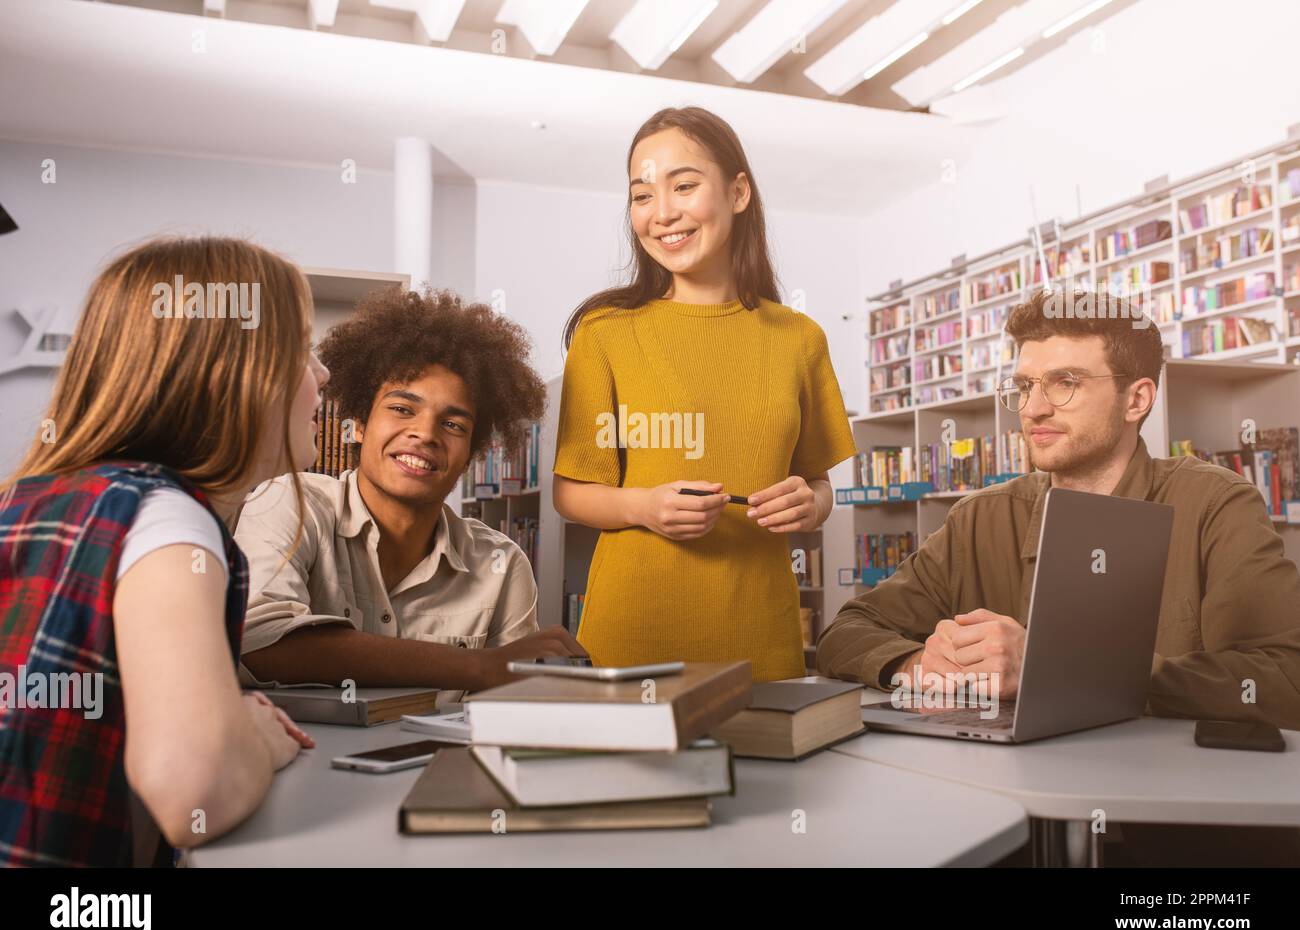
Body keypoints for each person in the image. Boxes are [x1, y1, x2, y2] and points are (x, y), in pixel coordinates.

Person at [817, 287, 1300, 732]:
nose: (1032, 409)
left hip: (1169, 805)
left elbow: (1284, 681)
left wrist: (1057, 665)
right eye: (1025, 386)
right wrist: (918, 664)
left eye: (1064, 383)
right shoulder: (979, 519)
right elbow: (845, 634)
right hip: (1012, 799)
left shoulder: (1217, 503)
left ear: (1137, 399)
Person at [0, 236, 319, 866]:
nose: (324, 375)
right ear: (232, 376)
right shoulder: (167, 518)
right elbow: (189, 786)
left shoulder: (27, 498)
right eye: (306, 352)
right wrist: (255, 735)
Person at [552, 106, 856, 682]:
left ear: (738, 192)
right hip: (634, 632)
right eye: (641, 196)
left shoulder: (799, 338)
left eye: (684, 186)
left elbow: (817, 485)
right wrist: (645, 507)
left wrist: (811, 505)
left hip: (759, 631)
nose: (661, 213)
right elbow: (571, 492)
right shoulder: (605, 332)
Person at [236, 287, 584, 694]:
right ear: (360, 423)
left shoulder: (502, 565)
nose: (425, 434)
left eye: (453, 425)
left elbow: (508, 700)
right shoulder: (291, 504)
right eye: (402, 409)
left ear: (471, 452)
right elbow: (262, 640)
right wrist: (477, 666)